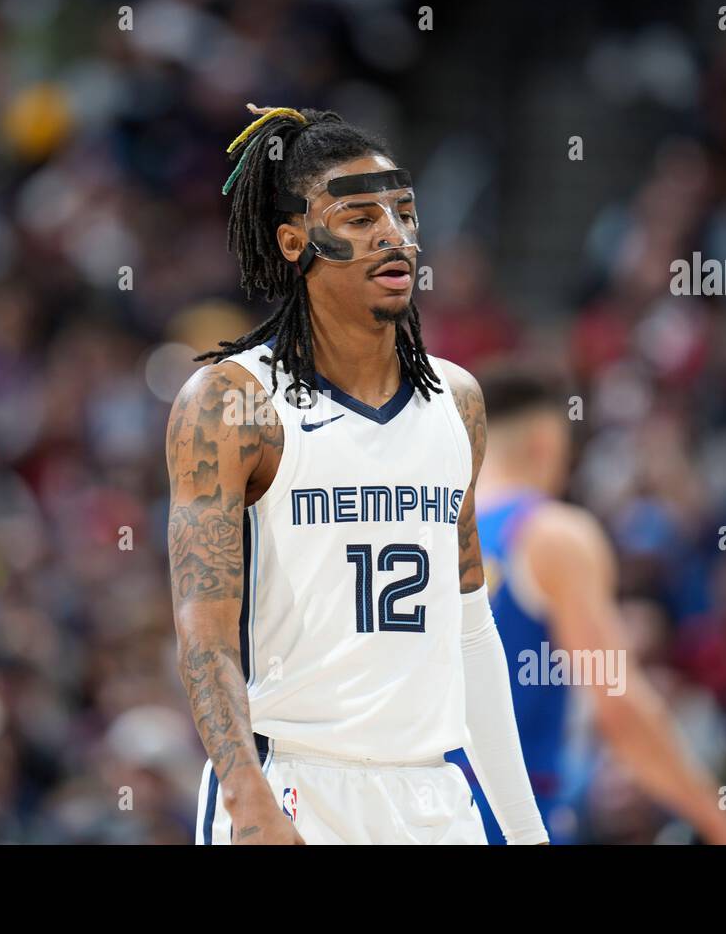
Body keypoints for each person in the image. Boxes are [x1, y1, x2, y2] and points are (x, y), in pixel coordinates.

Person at [166, 105, 546, 844]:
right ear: (294, 240)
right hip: (294, 780)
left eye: (404, 213)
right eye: (362, 216)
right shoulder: (232, 402)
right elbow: (202, 632)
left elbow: (472, 635)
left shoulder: (458, 403)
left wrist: (528, 835)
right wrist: (248, 801)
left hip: (435, 794)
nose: (394, 234)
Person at [455, 364, 726, 844]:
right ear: (546, 442)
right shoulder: (549, 533)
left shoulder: (422, 534)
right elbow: (618, 707)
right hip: (508, 822)